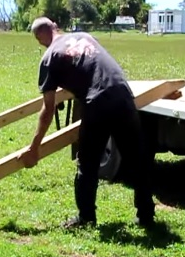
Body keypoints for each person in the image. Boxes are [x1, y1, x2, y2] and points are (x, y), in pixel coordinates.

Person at [17, 17, 157, 229]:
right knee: (137, 160)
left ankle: (86, 218)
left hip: (98, 102)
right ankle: (146, 216)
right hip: (123, 93)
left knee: (88, 163)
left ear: (39, 39)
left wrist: (34, 148)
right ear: (55, 26)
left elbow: (48, 108)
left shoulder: (49, 58)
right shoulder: (85, 36)